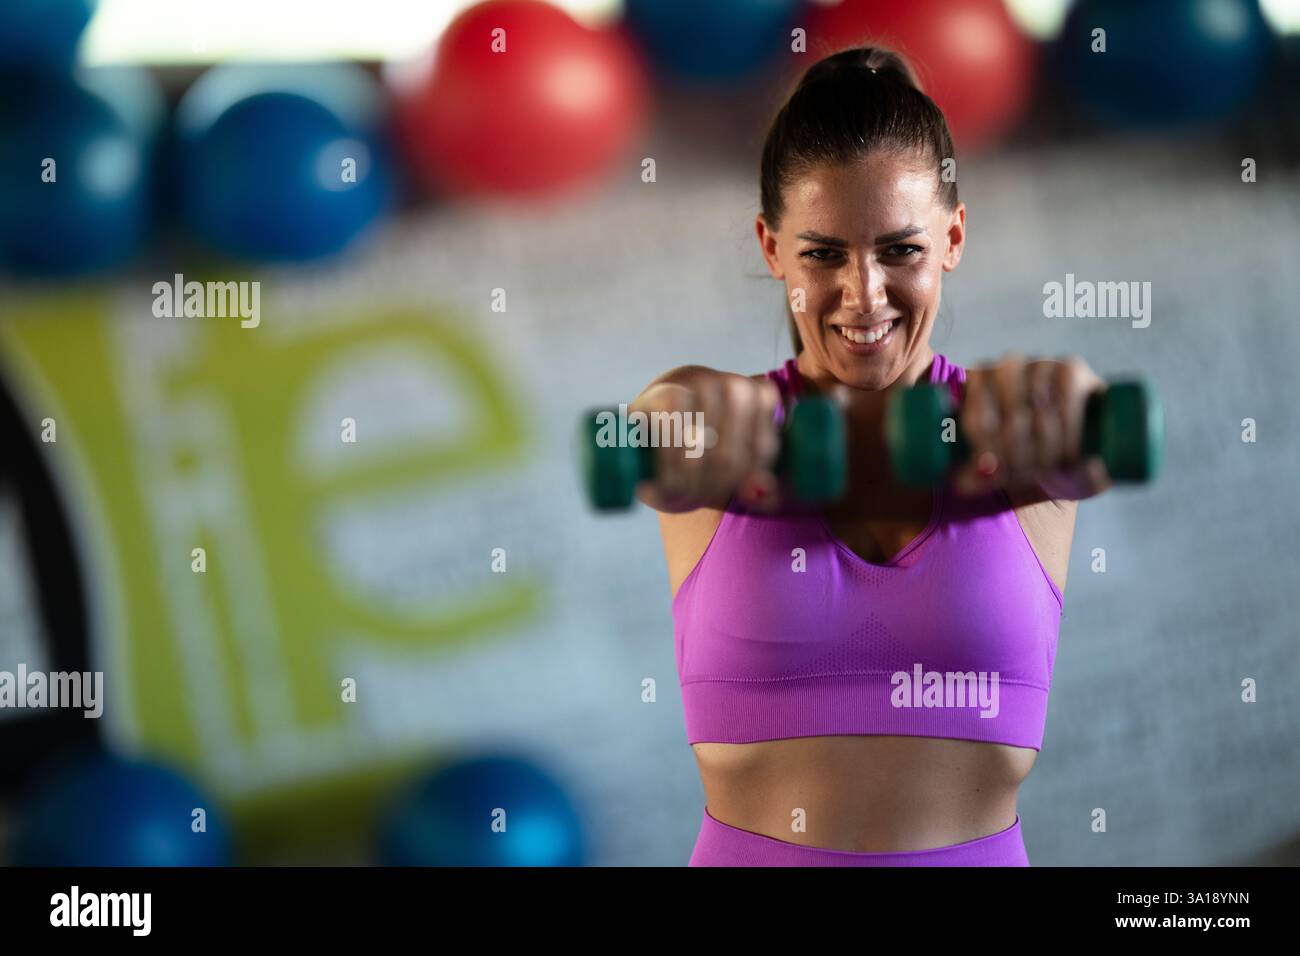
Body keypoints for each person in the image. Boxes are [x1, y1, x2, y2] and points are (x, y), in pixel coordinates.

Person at [627, 46, 1114, 866]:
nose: (865, 294)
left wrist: (1078, 413)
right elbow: (642, 439)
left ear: (954, 237)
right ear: (771, 248)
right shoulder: (721, 419)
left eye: (901, 250)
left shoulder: (1017, 432)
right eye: (823, 253)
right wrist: (674, 430)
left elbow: (1091, 433)